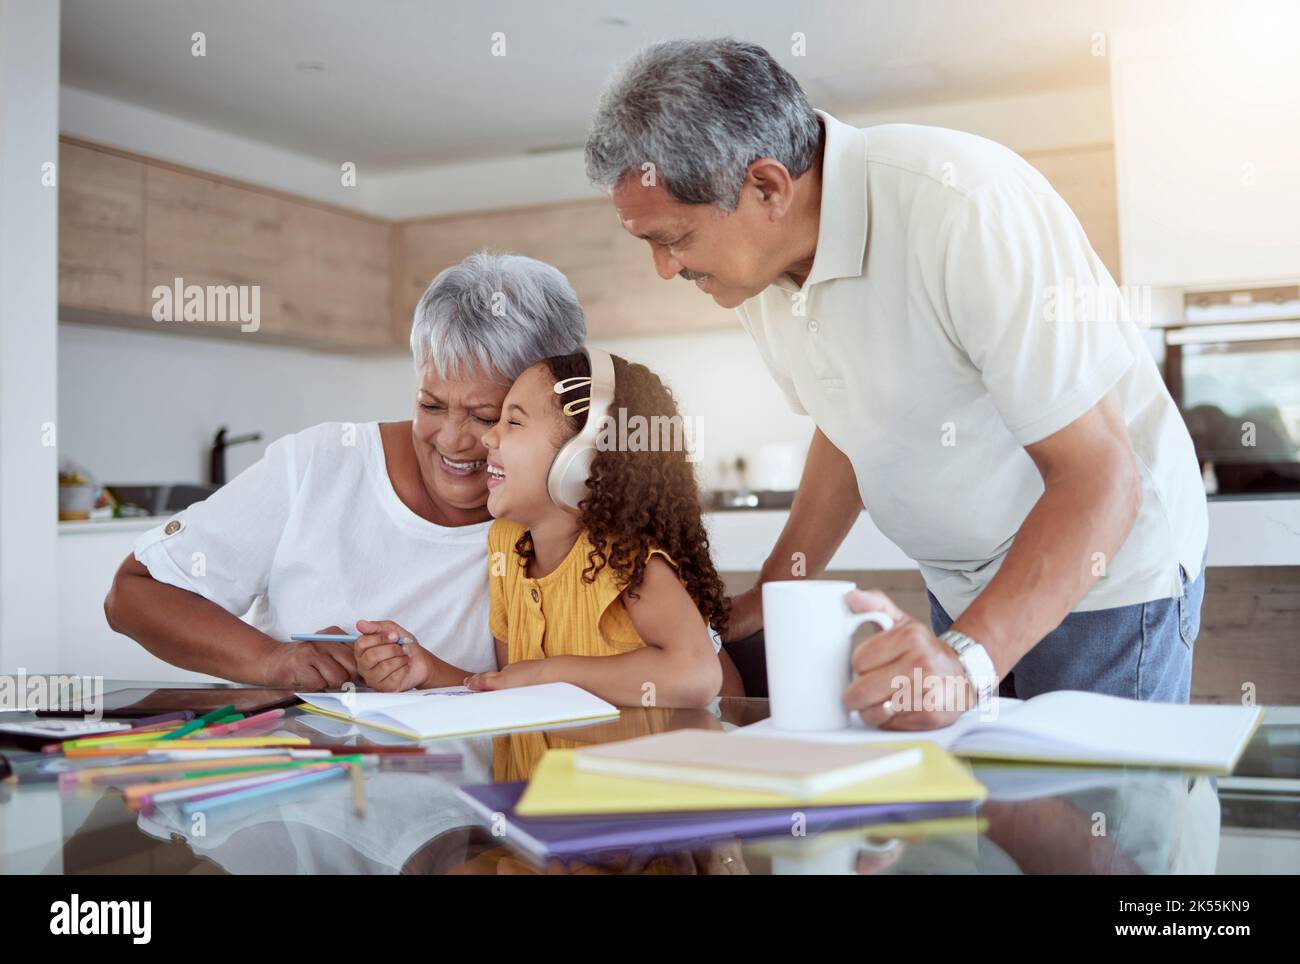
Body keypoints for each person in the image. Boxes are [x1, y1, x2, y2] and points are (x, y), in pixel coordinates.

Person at [584, 38, 1208, 726]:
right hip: (961, 581)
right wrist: (776, 587)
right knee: (989, 819)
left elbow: (1101, 477)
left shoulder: (964, 205)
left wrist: (966, 660)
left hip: (1105, 579)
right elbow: (848, 423)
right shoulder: (754, 269)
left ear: (766, 187)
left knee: (1101, 823)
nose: (665, 269)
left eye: (671, 239)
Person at [104, 252, 586, 689]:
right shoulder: (320, 462)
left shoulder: (570, 518)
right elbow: (135, 593)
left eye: (487, 416)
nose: (453, 439)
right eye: (431, 404)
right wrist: (272, 660)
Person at [362, 351, 730, 707]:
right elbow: (511, 688)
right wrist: (426, 669)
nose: (489, 438)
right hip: (533, 773)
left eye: (514, 423)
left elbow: (696, 676)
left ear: (583, 457)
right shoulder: (506, 544)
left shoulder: (626, 560)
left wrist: (548, 674)